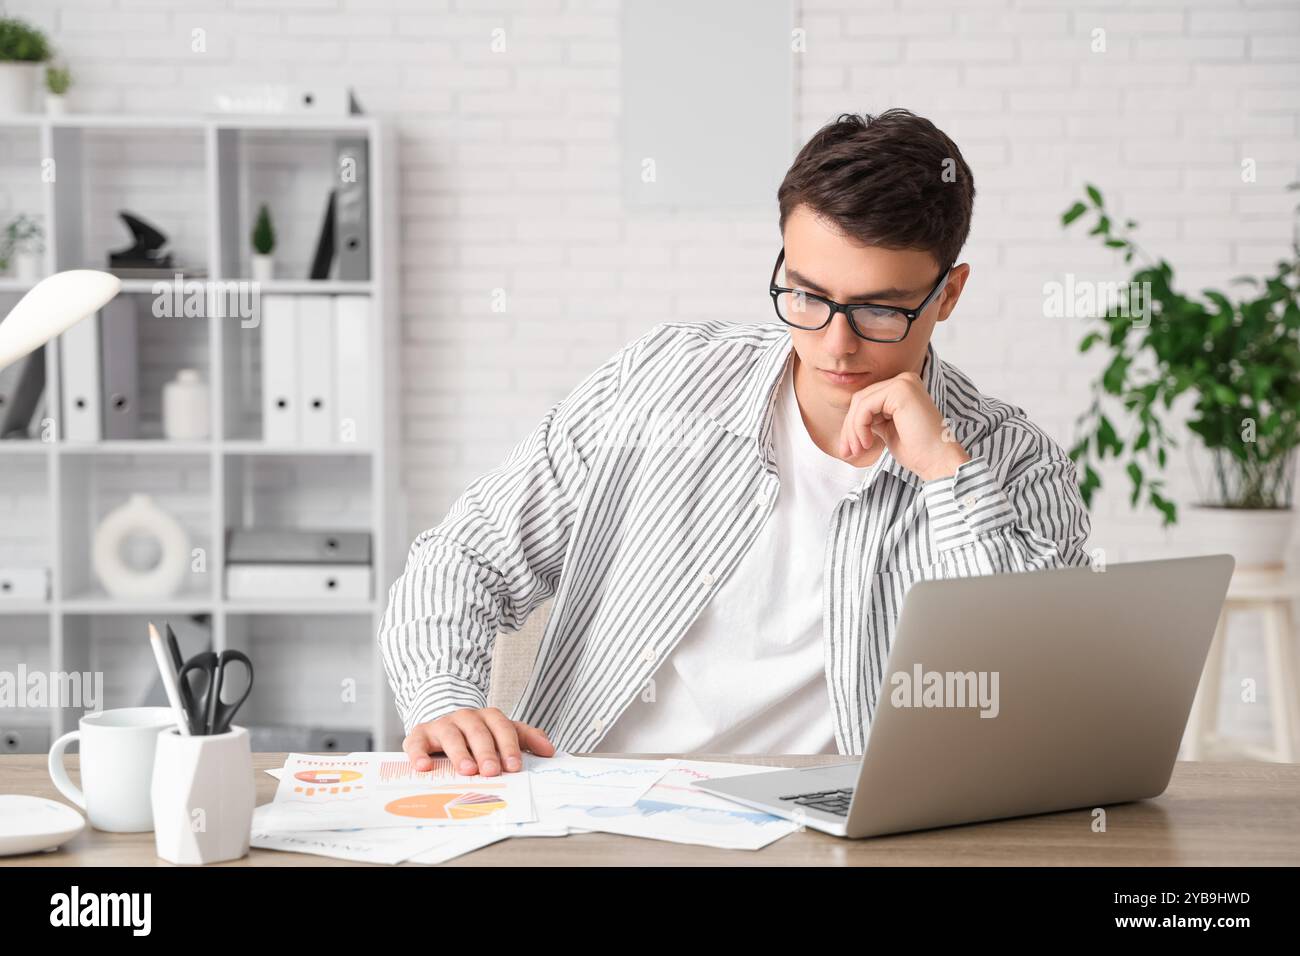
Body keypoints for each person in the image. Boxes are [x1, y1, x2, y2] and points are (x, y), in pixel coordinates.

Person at [379, 109, 1091, 776]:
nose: (835, 345)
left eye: (878, 310)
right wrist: (444, 696)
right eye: (807, 295)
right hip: (596, 813)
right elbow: (465, 557)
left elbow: (1031, 702)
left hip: (836, 839)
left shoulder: (1012, 462)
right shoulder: (662, 379)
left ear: (949, 293)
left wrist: (945, 474)